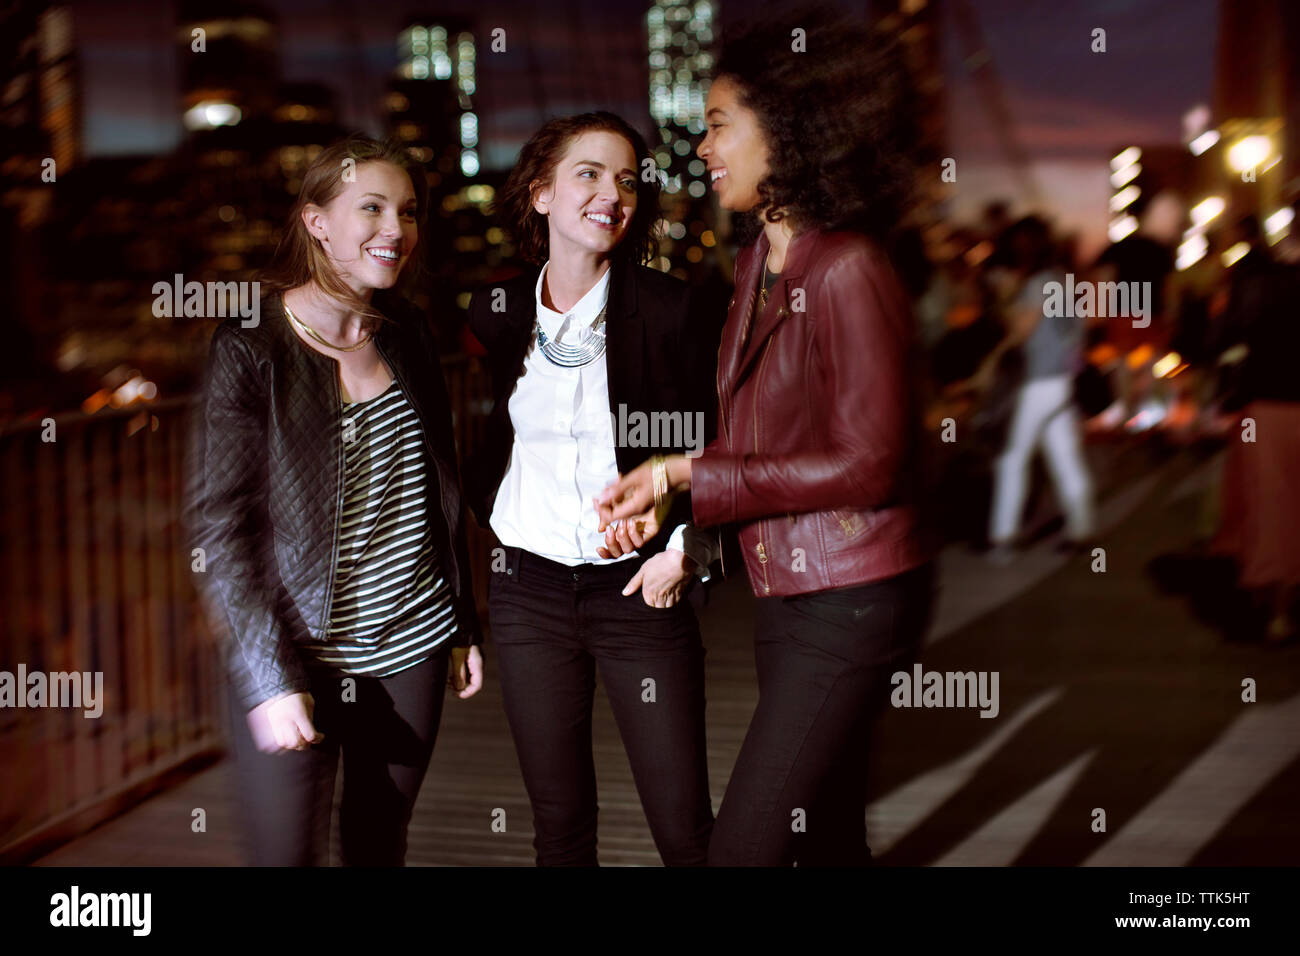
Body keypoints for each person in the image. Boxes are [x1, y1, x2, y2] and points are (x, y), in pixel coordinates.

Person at [596, 9, 937, 866]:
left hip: (854, 592)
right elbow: (756, 437)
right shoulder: (754, 264)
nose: (703, 148)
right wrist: (692, 546)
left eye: (718, 126)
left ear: (788, 128)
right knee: (824, 840)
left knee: (743, 850)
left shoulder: (849, 266)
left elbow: (870, 459)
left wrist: (683, 471)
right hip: (790, 589)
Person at [185, 134, 484, 866]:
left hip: (411, 643)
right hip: (296, 655)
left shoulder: (407, 330)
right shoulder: (251, 345)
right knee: (285, 854)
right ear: (318, 221)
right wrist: (269, 679)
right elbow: (219, 528)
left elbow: (435, 489)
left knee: (378, 846)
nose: (396, 230)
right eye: (372, 209)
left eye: (408, 212)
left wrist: (462, 621)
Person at [465, 112, 720, 866]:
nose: (612, 193)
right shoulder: (498, 309)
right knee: (560, 828)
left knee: (684, 830)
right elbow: (493, 440)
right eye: (589, 174)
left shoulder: (671, 309)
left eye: (628, 181)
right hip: (527, 593)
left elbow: (710, 442)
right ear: (541, 194)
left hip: (641, 591)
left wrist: (684, 548)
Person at [966, 215, 1095, 559]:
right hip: (1061, 381)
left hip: (1041, 382)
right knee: (1064, 457)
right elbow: (1077, 332)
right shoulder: (1062, 281)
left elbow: (1021, 331)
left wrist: (1008, 303)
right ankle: (1081, 530)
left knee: (1012, 459)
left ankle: (1003, 538)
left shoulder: (1038, 284)